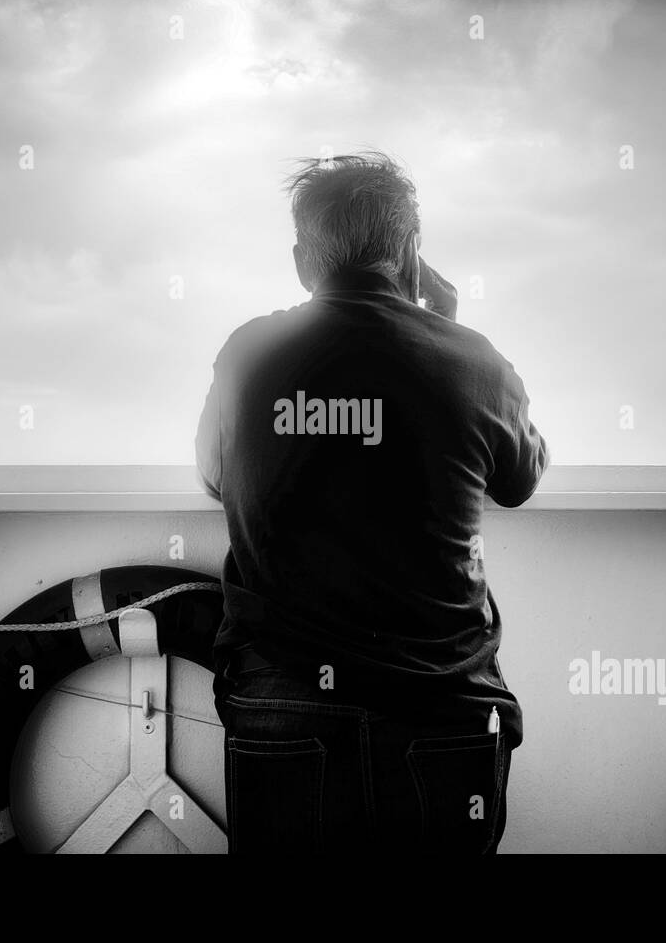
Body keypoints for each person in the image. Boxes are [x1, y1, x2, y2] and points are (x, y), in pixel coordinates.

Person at [194, 151, 548, 854]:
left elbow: (214, 476)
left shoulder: (249, 352)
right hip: (443, 708)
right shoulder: (476, 360)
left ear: (303, 261)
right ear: (412, 254)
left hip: (282, 706)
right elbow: (520, 479)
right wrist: (446, 324)